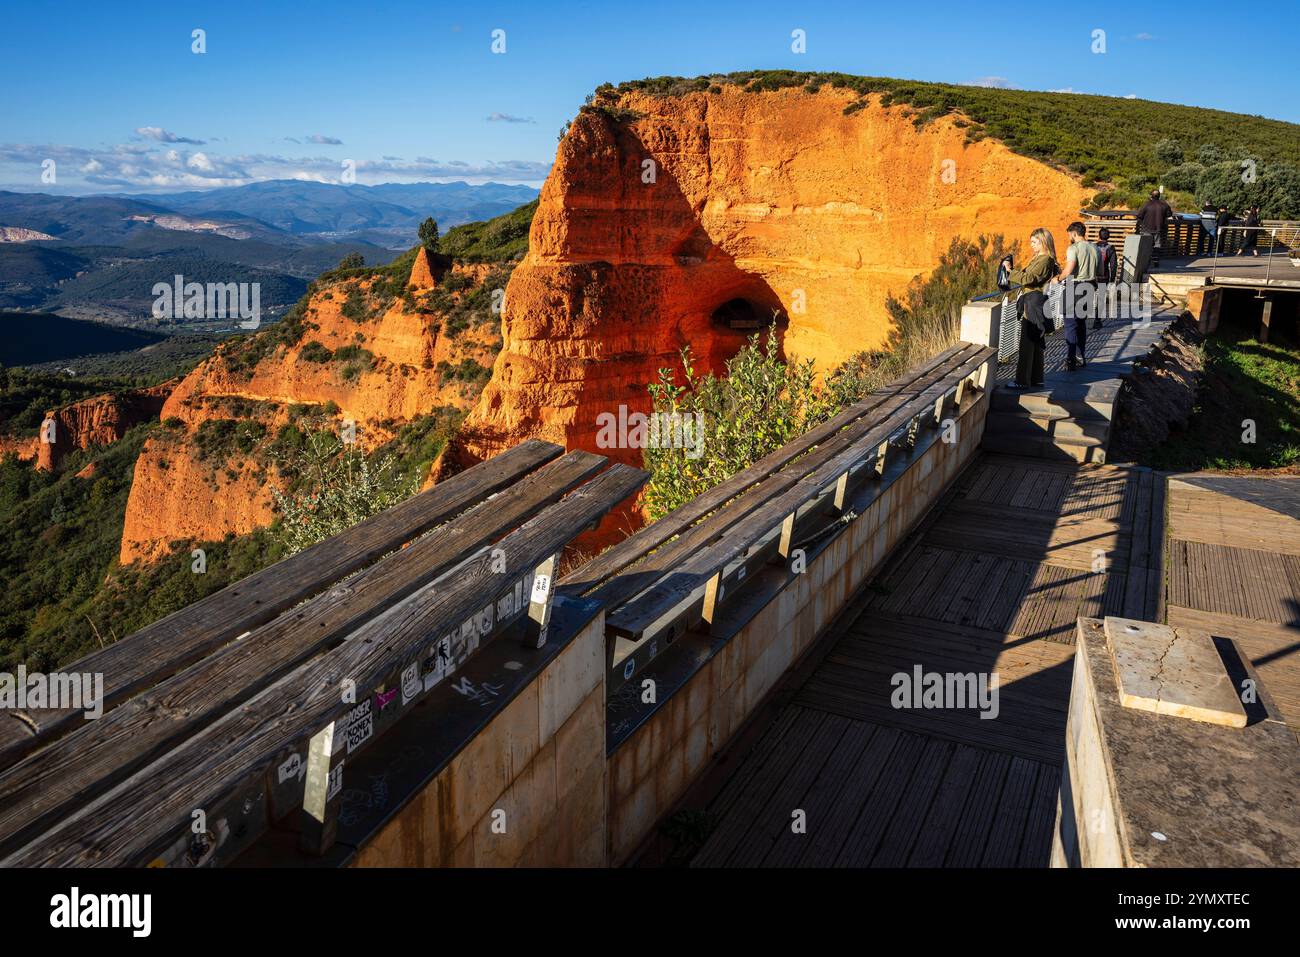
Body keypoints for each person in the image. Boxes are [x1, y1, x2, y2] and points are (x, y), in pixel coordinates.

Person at [1001, 227, 1060, 390]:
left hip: (1033, 302)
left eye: (1034, 242)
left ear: (1043, 241)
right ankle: (1036, 379)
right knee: (1036, 340)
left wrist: (1009, 271)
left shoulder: (1045, 260)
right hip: (1036, 301)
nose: (1032, 245)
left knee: (1027, 342)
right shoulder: (1043, 258)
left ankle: (1022, 380)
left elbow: (1029, 278)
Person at [1056, 222, 1099, 371]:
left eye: (1069, 234)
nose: (1069, 237)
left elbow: (1069, 269)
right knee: (1080, 324)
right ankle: (1081, 357)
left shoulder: (1073, 248)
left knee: (1070, 325)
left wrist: (1058, 278)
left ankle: (1071, 359)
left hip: (1074, 287)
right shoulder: (1095, 248)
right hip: (1090, 287)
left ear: (1074, 233)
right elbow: (1099, 270)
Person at [1135, 189, 1173, 266]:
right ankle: (1156, 261)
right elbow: (1169, 214)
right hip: (1158, 228)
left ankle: (1146, 262)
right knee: (1157, 245)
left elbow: (1139, 215)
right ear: (1159, 196)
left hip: (1146, 228)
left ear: (1150, 196)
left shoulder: (1147, 204)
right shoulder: (1164, 204)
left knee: (1146, 246)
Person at [1094, 226, 1118, 329]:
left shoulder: (1093, 247)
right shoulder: (1111, 248)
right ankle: (1097, 320)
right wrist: (1112, 278)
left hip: (1092, 276)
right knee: (1101, 298)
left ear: (1099, 236)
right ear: (1108, 237)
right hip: (1104, 277)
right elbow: (1113, 265)